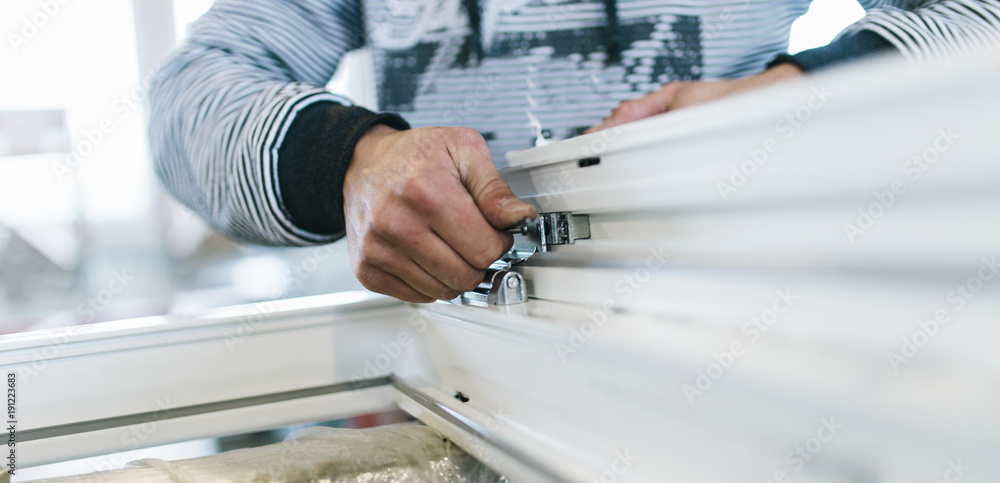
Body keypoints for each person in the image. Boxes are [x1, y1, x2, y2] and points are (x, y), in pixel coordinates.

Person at [149, 0, 1000, 303]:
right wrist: (347, 159)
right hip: (470, 364)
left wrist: (784, 96)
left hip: (753, 350)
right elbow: (185, 96)